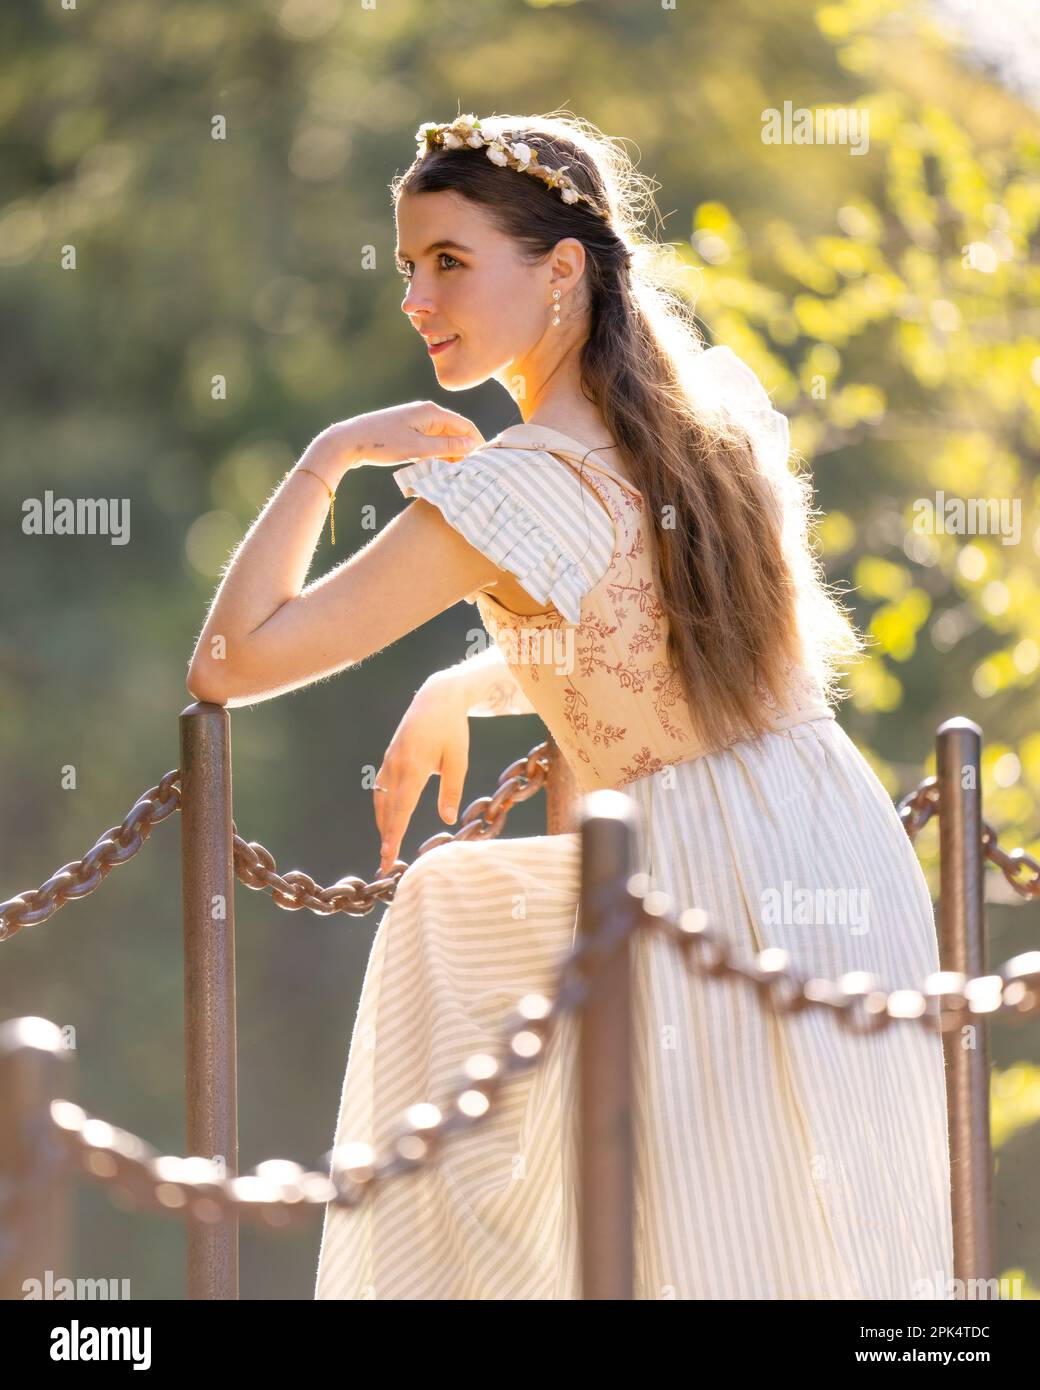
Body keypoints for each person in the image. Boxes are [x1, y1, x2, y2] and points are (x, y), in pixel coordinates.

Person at [186, 111, 954, 1299]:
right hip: (823, 838)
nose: (415, 298)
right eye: (407, 267)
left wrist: (324, 458)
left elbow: (231, 661)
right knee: (798, 1260)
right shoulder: (701, 427)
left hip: (701, 878)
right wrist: (465, 682)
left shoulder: (517, 484)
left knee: (696, 1255)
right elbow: (653, 637)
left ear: (560, 270)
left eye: (448, 261)